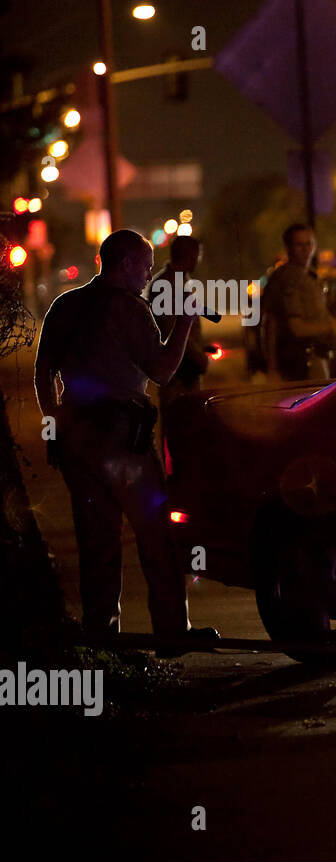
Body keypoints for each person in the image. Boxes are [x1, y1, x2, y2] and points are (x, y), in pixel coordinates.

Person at [33, 229, 219, 655]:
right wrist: (186, 322)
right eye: (145, 265)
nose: (149, 274)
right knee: (157, 536)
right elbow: (163, 371)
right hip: (124, 442)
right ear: (125, 264)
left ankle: (103, 640)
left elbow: (44, 373)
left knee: (97, 543)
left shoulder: (65, 305)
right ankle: (171, 633)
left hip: (77, 438)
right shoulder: (129, 308)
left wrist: (54, 422)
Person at [262, 224, 335, 380]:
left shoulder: (311, 277)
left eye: (309, 244)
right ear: (289, 248)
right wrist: (272, 367)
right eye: (299, 245)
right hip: (298, 361)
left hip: (316, 355)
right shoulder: (287, 279)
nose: (305, 250)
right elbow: (274, 324)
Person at [147, 235, 211, 407]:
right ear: (190, 256)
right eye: (197, 256)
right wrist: (200, 359)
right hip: (177, 376)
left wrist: (201, 348)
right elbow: (171, 331)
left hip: (184, 372)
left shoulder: (178, 282)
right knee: (181, 424)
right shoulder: (167, 285)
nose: (197, 262)